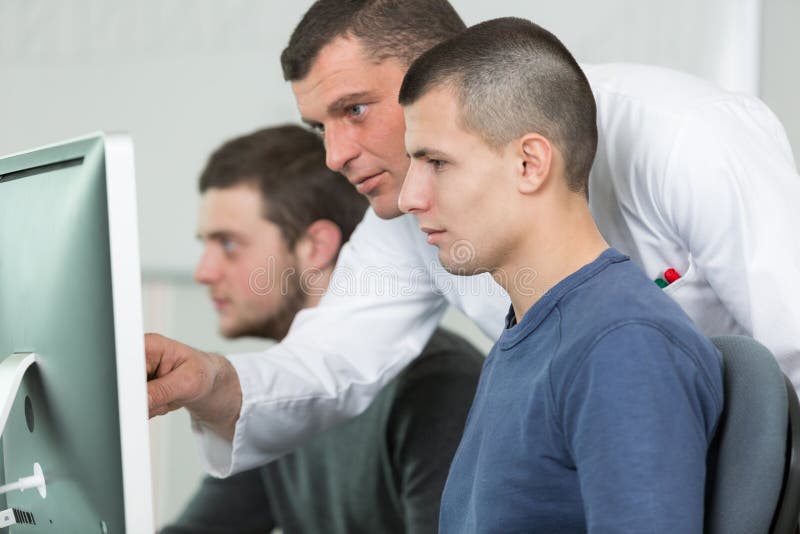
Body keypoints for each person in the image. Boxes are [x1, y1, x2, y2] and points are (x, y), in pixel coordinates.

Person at [145, 0, 800, 477]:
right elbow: (328, 363)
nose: (335, 156)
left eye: (355, 109)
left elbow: (794, 344)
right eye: (320, 128)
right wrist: (206, 379)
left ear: (442, 73)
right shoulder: (407, 213)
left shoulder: (689, 137)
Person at [397, 17, 722, 532]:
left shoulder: (622, 345)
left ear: (530, 163)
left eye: (435, 161)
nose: (408, 197)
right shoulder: (531, 332)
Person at [160, 125, 485, 533]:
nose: (203, 272)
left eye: (228, 244)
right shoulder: (270, 402)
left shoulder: (440, 384)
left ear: (315, 247)